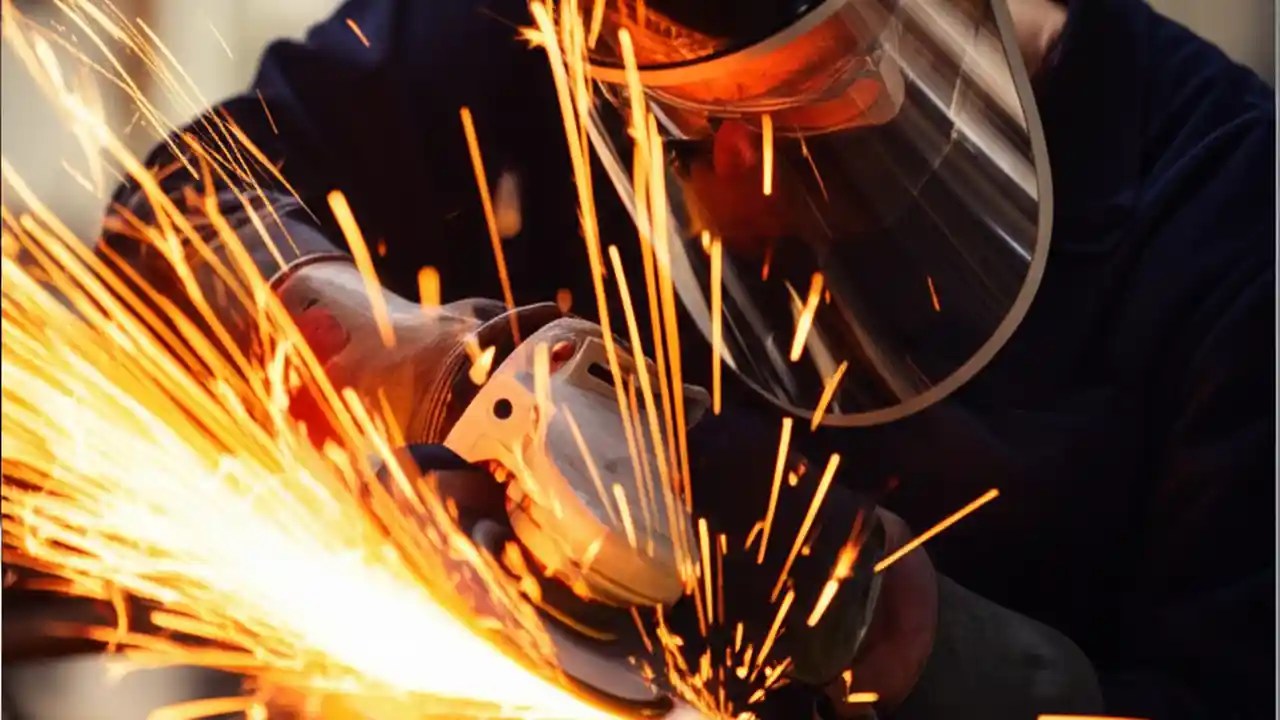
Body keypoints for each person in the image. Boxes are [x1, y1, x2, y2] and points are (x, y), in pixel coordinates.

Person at [99, 0, 1275, 717]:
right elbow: (189, 205)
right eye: (671, 115)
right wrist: (412, 356)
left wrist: (874, 622)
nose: (722, 183)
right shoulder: (532, 27)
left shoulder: (1229, 219)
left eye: (793, 109)